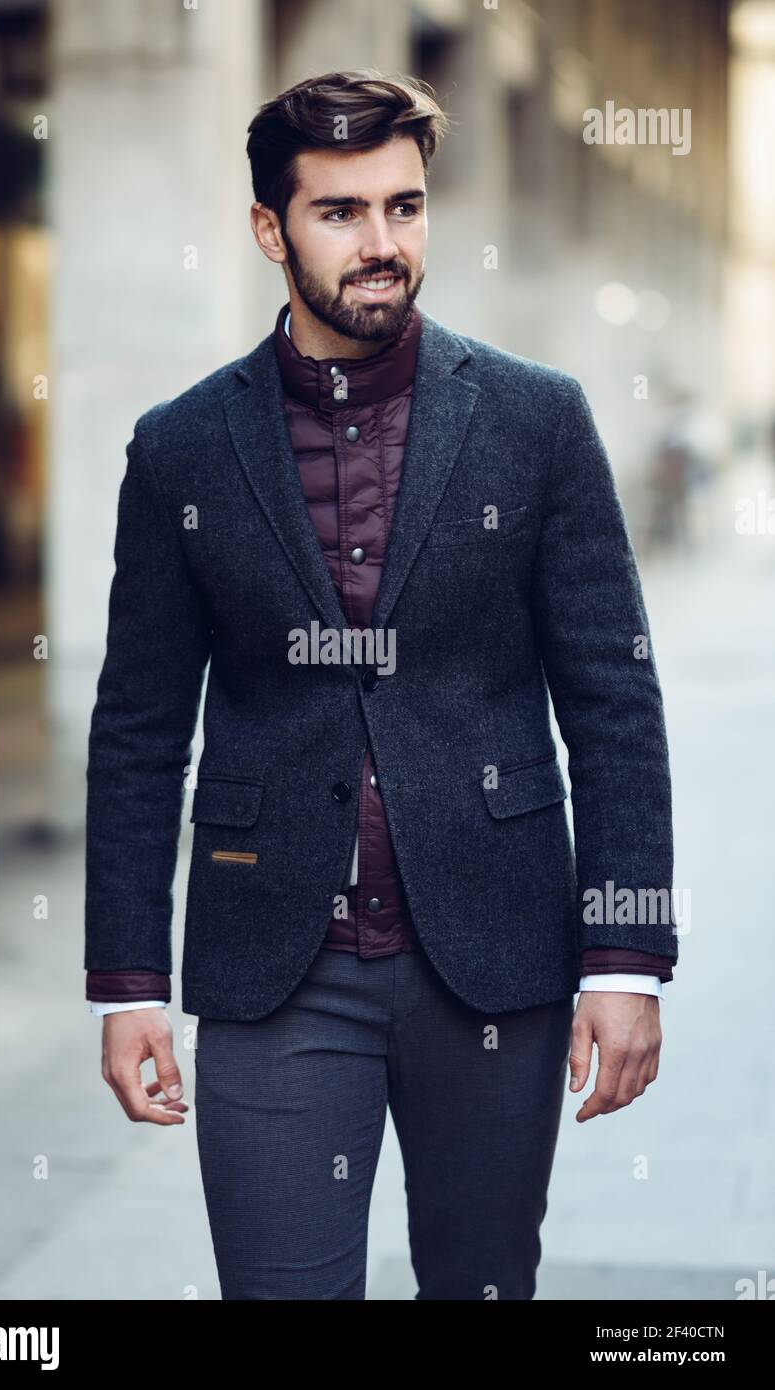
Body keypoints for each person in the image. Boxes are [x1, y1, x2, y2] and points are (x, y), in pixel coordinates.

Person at [84, 71, 678, 1300]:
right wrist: (128, 981)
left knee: (482, 1286)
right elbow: (140, 728)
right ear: (270, 230)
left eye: (404, 208)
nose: (382, 245)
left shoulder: (536, 419)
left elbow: (613, 697)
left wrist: (625, 958)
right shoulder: (183, 446)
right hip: (272, 964)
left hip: (496, 956)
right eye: (342, 214)